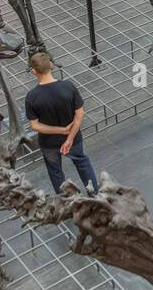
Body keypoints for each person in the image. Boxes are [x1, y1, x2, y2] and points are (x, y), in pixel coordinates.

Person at [23, 52, 99, 195]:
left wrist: (61, 130)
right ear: (51, 65)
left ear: (34, 71)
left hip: (48, 143)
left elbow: (34, 125)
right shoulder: (68, 86)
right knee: (82, 161)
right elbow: (80, 114)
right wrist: (69, 137)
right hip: (73, 137)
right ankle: (94, 192)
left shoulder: (31, 97)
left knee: (55, 171)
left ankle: (66, 200)